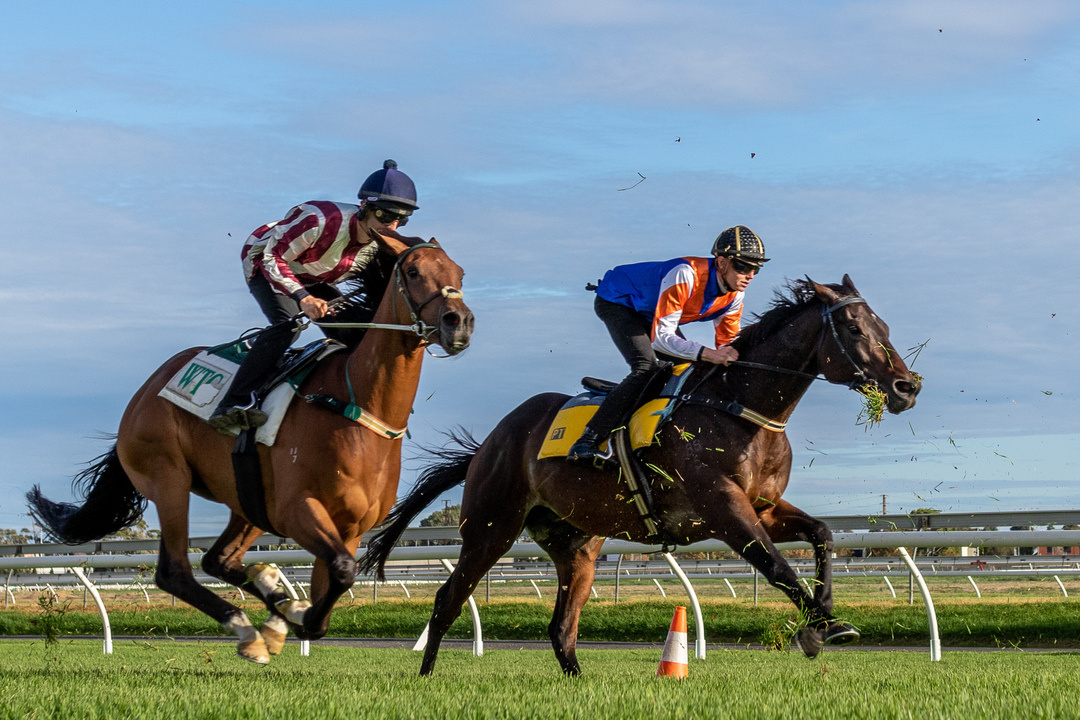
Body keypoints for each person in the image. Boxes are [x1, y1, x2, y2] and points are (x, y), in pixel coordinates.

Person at [208, 159, 419, 432]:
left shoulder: (382, 247)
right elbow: (273, 256)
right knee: (288, 325)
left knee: (359, 329)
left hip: (315, 276)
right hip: (267, 262)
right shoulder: (319, 219)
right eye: (385, 216)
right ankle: (233, 404)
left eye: (401, 219)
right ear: (365, 207)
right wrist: (303, 298)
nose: (391, 226)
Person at [566, 225, 769, 464]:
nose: (750, 275)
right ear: (721, 262)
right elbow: (662, 339)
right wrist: (707, 353)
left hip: (651, 311)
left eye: (756, 268)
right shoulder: (686, 274)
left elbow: (727, 348)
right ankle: (586, 441)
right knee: (646, 368)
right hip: (619, 302)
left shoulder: (735, 296)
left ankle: (639, 405)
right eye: (743, 266)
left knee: (690, 370)